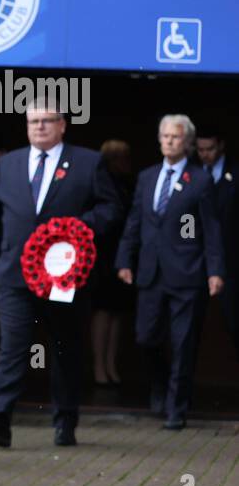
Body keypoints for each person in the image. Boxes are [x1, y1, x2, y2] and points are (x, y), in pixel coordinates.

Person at [0, 101, 122, 447]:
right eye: (33, 121)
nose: (39, 127)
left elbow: (112, 207)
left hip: (64, 276)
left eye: (46, 121)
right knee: (12, 346)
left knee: (65, 348)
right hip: (13, 273)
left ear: (62, 125)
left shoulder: (87, 162)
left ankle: (65, 420)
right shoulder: (8, 163)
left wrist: (77, 228)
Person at [115, 115, 224, 430]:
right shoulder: (147, 177)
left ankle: (177, 408)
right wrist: (125, 259)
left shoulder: (200, 180)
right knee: (146, 337)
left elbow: (210, 228)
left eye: (175, 137)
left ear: (187, 142)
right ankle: (161, 386)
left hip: (188, 274)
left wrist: (215, 270)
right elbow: (135, 220)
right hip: (150, 272)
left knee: (183, 342)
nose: (169, 142)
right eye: (164, 136)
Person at [89, 139, 136, 387]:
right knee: (103, 310)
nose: (126, 163)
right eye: (121, 158)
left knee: (118, 311)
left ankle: (110, 364)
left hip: (123, 252)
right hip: (103, 253)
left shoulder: (128, 184)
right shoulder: (101, 182)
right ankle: (99, 366)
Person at [194, 126, 239, 363]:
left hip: (231, 261)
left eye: (209, 149)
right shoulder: (190, 175)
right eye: (200, 149)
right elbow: (186, 217)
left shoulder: (234, 176)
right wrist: (188, 239)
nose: (205, 155)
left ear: (220, 146)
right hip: (195, 260)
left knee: (234, 322)